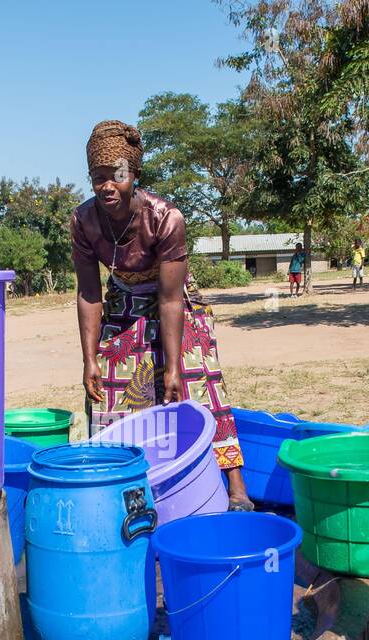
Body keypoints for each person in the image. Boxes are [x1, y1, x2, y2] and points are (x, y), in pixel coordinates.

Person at [71, 120, 251, 509]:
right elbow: (88, 292)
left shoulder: (166, 218)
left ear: (134, 174)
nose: (107, 186)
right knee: (111, 387)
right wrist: (89, 359)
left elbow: (169, 300)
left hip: (175, 302)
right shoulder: (83, 221)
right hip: (122, 299)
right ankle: (123, 492)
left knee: (192, 382)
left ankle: (235, 489)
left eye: (116, 176)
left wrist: (170, 366)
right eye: (97, 178)